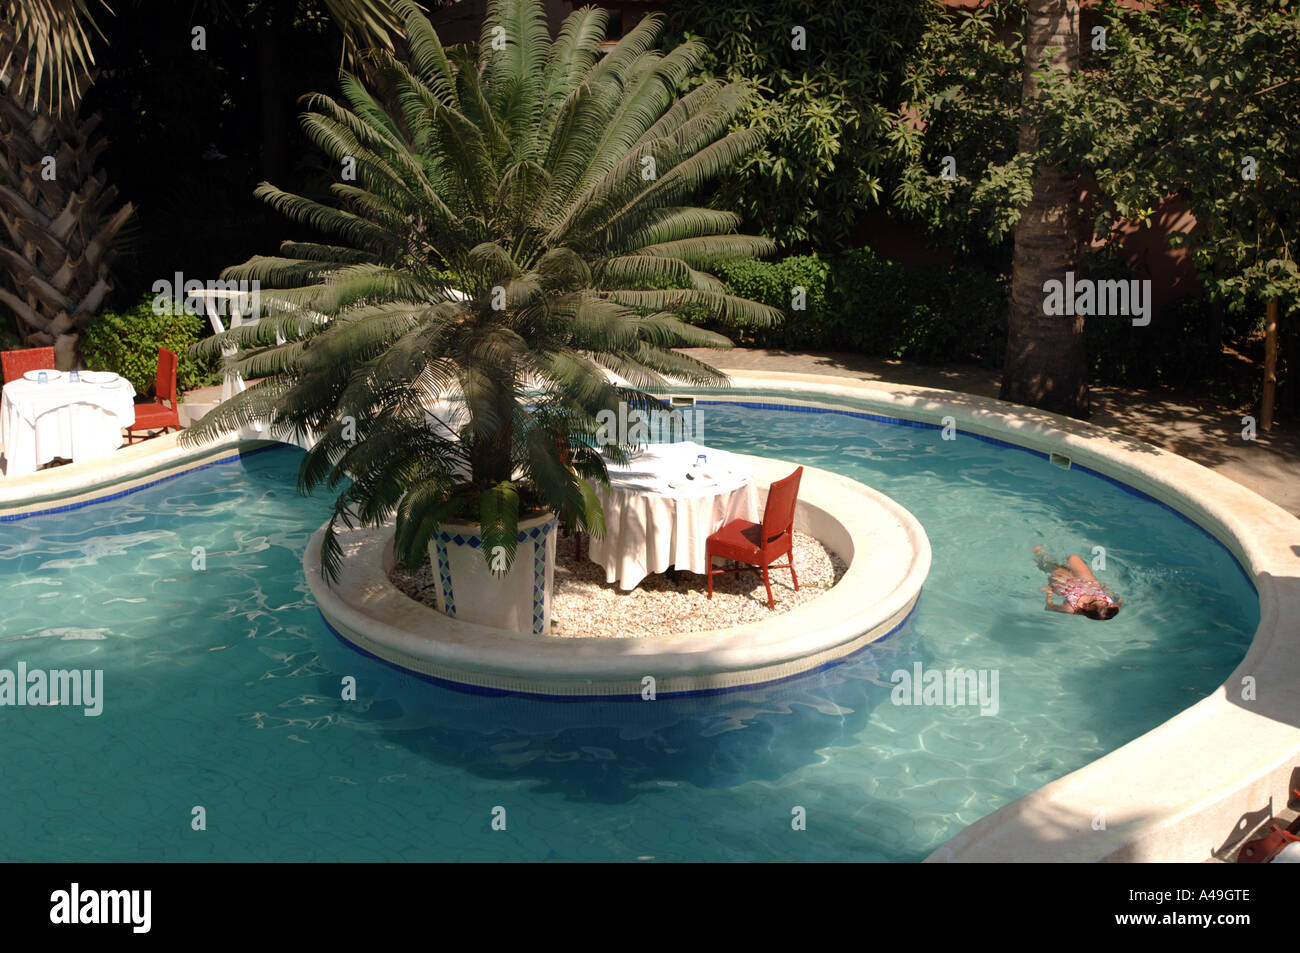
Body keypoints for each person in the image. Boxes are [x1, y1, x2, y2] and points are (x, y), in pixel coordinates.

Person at [1033, 545, 1122, 620]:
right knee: (1073, 558)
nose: (1102, 599)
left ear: (1087, 607)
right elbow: (1119, 601)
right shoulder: (1110, 607)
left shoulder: (1070, 608)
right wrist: (1113, 594)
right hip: (1089, 584)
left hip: (1067, 587)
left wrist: (1049, 593)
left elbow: (1049, 607)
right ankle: (1060, 565)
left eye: (1095, 600)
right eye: (1105, 602)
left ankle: (1039, 556)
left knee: (1054, 566)